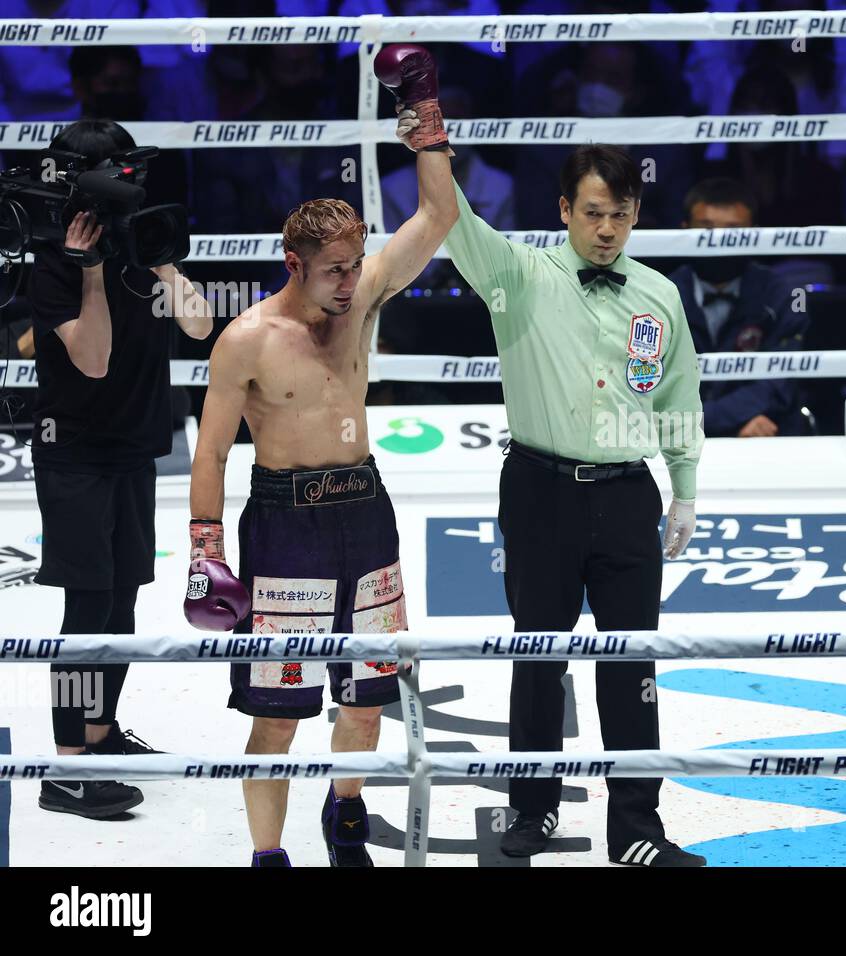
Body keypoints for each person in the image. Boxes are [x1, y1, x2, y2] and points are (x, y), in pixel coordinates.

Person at [392, 41, 706, 865]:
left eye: (622, 213)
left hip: (630, 495)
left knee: (631, 665)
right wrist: (426, 121)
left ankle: (637, 827)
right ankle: (530, 813)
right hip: (539, 491)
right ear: (566, 208)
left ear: (638, 214)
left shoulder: (660, 296)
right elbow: (448, 212)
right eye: (594, 211)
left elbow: (679, 401)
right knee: (539, 659)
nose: (608, 228)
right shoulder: (518, 277)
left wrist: (686, 493)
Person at [186, 45, 455, 866]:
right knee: (276, 711)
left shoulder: (363, 292)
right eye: (333, 272)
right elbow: (212, 451)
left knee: (369, 696)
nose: (350, 285)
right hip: (285, 523)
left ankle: (345, 816)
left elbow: (437, 219)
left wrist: (427, 128)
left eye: (354, 266)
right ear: (292, 264)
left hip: (364, 512)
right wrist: (205, 551)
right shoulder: (246, 341)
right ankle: (268, 855)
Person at [29, 119, 212, 818]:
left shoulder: (145, 244)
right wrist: (93, 271)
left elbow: (198, 325)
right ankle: (66, 766)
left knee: (125, 599)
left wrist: (162, 261)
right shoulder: (54, 260)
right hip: (75, 452)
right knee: (87, 607)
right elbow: (95, 358)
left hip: (137, 446)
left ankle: (101, 733)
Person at [668, 177, 809, 438]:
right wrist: (723, 423)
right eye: (707, 230)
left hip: (763, 432)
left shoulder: (781, 294)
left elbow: (780, 383)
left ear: (753, 234)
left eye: (733, 232)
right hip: (677, 439)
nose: (719, 243)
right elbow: (654, 385)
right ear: (685, 229)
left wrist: (702, 421)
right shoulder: (658, 294)